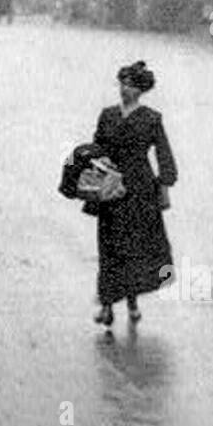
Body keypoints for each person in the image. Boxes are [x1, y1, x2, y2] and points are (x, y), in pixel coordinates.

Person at [90, 61, 178, 328]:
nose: (124, 89)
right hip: (111, 188)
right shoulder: (107, 115)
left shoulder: (152, 118)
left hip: (140, 192)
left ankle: (132, 303)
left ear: (140, 89)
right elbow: (96, 149)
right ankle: (106, 306)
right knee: (109, 247)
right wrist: (91, 176)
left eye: (130, 84)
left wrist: (165, 182)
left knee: (134, 249)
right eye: (122, 83)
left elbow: (163, 154)